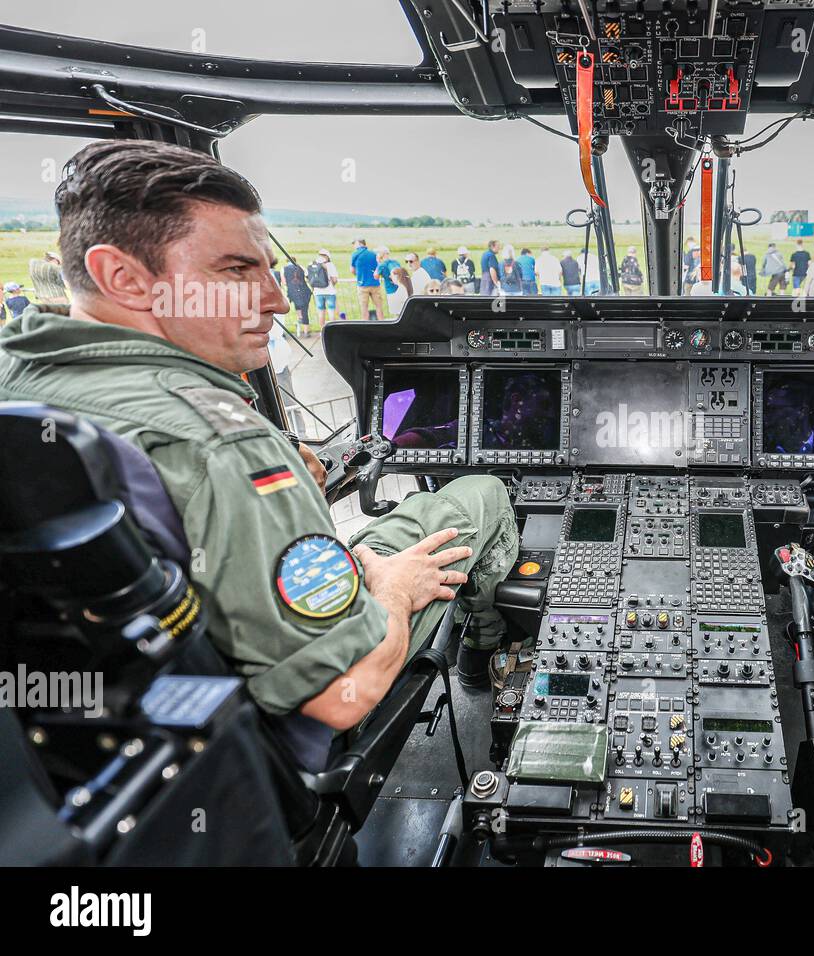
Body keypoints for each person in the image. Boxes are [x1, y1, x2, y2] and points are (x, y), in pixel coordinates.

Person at [0, 141, 519, 772]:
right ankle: (487, 646)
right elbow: (342, 694)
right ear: (123, 277)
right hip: (265, 747)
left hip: (92, 744)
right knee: (482, 492)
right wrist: (394, 589)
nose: (274, 299)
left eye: (269, 270)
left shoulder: (16, 373)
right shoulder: (222, 447)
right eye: (236, 271)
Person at [352, 238, 384, 320]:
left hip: (362, 285)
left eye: (354, 244)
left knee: (364, 308)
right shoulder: (373, 254)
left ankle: (364, 327)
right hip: (375, 284)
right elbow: (379, 267)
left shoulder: (355, 254)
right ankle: (382, 324)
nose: (353, 246)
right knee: (379, 307)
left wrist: (359, 274)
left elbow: (352, 270)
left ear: (359, 243)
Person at [307, 249, 338, 329]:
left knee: (321, 313)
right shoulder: (330, 265)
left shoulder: (312, 264)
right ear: (327, 256)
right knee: (331, 312)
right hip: (330, 292)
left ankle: (322, 330)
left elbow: (308, 277)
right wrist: (333, 283)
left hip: (317, 292)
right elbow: (334, 280)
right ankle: (332, 330)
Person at [281, 256, 311, 333]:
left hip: (292, 292)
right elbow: (308, 277)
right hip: (304, 291)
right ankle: (306, 331)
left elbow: (284, 282)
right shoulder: (301, 267)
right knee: (305, 311)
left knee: (295, 307)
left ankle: (299, 319)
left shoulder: (283, 269)